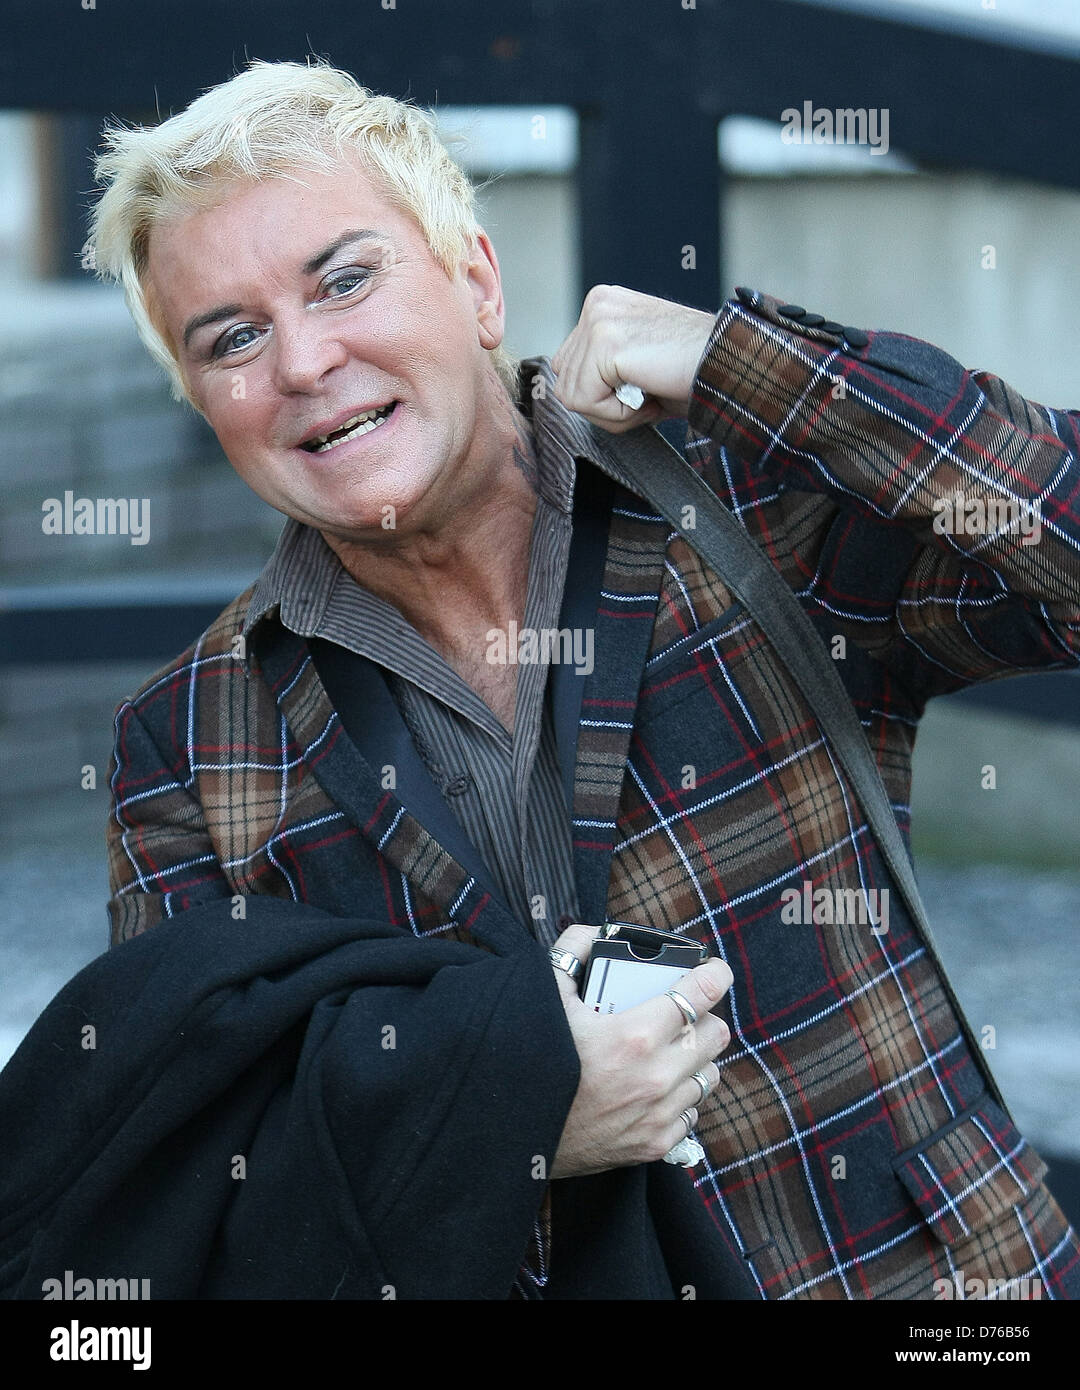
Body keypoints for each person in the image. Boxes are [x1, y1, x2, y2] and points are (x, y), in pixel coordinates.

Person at [1, 57, 1076, 1301]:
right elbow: (219, 1177)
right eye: (231, 338)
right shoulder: (190, 744)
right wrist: (507, 1125)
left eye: (345, 278)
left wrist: (752, 366)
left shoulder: (748, 508)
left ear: (477, 281)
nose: (302, 361)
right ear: (200, 400)